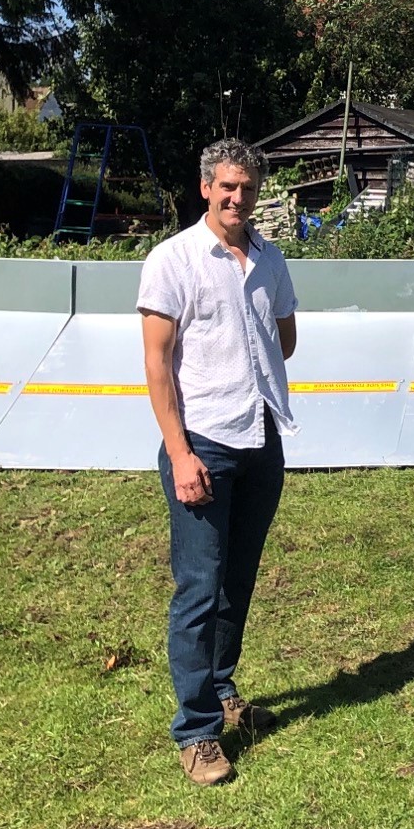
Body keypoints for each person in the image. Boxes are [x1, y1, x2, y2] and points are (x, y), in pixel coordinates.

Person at [138, 139, 299, 786]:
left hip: (261, 437)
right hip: (201, 442)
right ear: (206, 187)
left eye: (248, 188)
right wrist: (179, 453)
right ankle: (198, 732)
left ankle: (222, 685)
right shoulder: (172, 260)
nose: (238, 198)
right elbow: (156, 364)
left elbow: (283, 336)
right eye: (227, 187)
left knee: (237, 579)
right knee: (199, 588)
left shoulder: (269, 259)